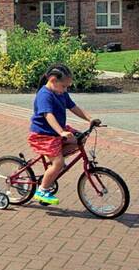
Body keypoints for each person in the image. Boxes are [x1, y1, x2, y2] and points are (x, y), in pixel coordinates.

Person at [29, 63, 99, 205]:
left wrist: (90, 118)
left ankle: (54, 165)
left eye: (67, 87)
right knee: (59, 163)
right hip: (44, 135)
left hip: (57, 132)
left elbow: (73, 107)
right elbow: (48, 115)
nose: (65, 90)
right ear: (53, 80)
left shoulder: (60, 92)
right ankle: (41, 190)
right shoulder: (44, 95)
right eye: (64, 86)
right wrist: (61, 132)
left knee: (81, 138)